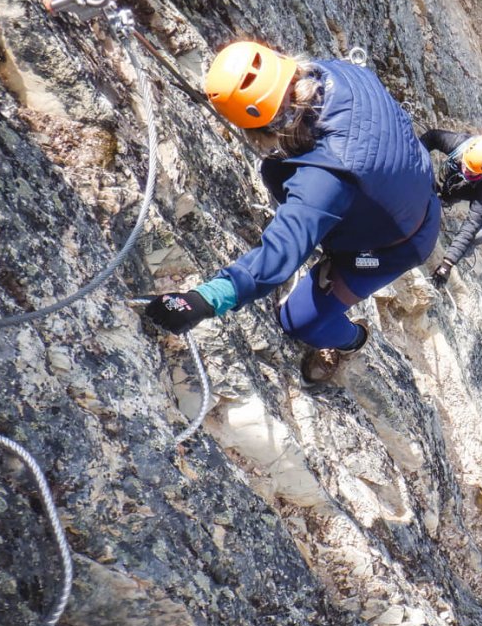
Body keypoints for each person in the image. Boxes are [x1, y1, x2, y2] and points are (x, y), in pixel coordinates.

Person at [143, 40, 439, 383]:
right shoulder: (335, 72)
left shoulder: (325, 181)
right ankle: (331, 236)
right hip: (405, 189)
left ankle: (352, 340)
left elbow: (280, 255)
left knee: (302, 322)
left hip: (390, 249)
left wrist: (204, 299)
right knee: (277, 168)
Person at [420, 126, 482, 286]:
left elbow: (471, 224)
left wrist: (447, 264)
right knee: (452, 186)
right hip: (474, 179)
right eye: (465, 163)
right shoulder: (461, 143)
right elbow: (430, 138)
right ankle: (446, 198)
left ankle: (463, 252)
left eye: (471, 171)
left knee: (479, 235)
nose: (465, 169)